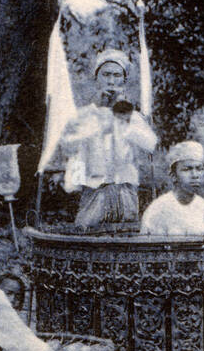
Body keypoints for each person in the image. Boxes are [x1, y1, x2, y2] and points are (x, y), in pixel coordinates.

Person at [59, 49, 158, 229]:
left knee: (126, 236)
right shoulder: (85, 115)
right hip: (95, 190)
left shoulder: (133, 116)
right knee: (88, 233)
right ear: (97, 78)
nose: (111, 81)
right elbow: (69, 145)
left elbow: (150, 145)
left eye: (116, 75)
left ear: (124, 80)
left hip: (125, 191)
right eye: (106, 75)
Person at [140, 140, 204, 236]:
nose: (195, 175)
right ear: (173, 176)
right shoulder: (158, 209)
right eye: (187, 169)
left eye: (199, 169)